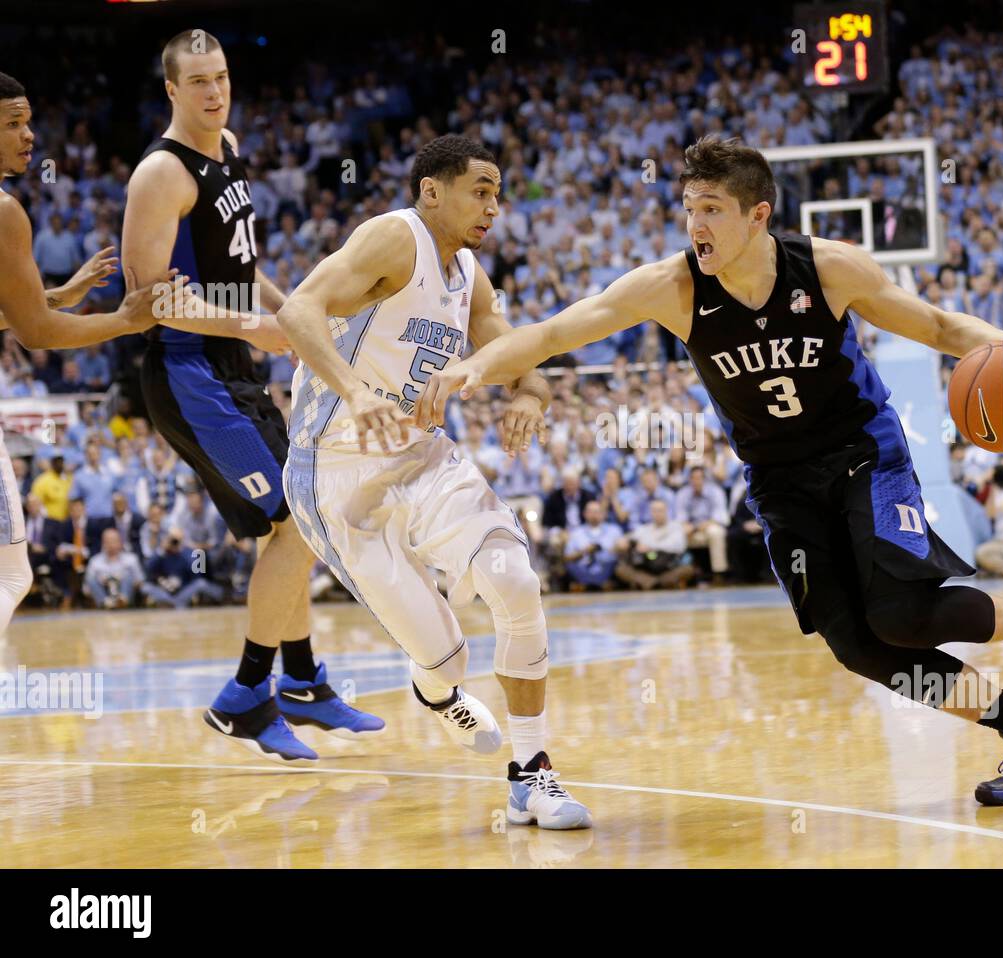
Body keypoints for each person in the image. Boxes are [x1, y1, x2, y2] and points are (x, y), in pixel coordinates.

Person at [425, 135, 1003, 806]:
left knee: (901, 616)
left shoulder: (827, 269)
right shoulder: (670, 287)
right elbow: (551, 334)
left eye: (712, 211)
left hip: (864, 455)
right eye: (688, 208)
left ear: (758, 215)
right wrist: (476, 367)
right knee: (859, 647)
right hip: (779, 480)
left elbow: (942, 328)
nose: (695, 225)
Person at [276, 134, 590, 828]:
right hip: (336, 470)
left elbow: (513, 343)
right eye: (480, 190)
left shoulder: (468, 272)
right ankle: (435, 689)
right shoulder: (395, 237)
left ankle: (531, 776)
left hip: (423, 457)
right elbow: (297, 310)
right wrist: (356, 392)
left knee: (515, 578)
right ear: (430, 191)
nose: (494, 207)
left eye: (498, 193)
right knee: (446, 659)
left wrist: (531, 394)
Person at [121, 31, 380, 762]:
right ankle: (246, 694)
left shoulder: (226, 144)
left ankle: (300, 682)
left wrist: (285, 315)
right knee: (298, 519)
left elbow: (241, 263)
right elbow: (149, 300)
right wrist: (252, 326)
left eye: (222, 77)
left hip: (234, 360)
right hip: (188, 371)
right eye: (198, 81)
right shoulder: (160, 175)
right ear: (171, 89)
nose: (214, 92)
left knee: (298, 520)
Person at [0, 71, 165, 634]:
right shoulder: (4, 211)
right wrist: (123, 319)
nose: (29, 137)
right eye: (13, 123)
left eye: (28, 122)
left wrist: (61, 295)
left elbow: (21, 314)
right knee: (10, 578)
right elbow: (37, 335)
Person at [615, 499, 696, 589]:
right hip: (647, 566)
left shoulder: (676, 527)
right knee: (621, 569)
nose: (657, 514)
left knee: (688, 569)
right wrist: (623, 541)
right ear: (651, 513)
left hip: (668, 565)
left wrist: (650, 546)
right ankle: (653, 582)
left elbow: (677, 546)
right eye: (654, 511)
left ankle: (653, 583)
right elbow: (629, 538)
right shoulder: (644, 529)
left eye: (660, 510)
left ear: (666, 511)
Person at [83, 528, 144, 609]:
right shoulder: (94, 561)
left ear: (120, 542)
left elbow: (140, 581)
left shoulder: (131, 559)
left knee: (128, 575)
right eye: (107, 541)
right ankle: (106, 602)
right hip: (104, 592)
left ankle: (122, 600)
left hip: (125, 591)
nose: (111, 544)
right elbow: (86, 589)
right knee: (91, 579)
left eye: (113, 541)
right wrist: (102, 582)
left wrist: (121, 580)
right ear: (102, 543)